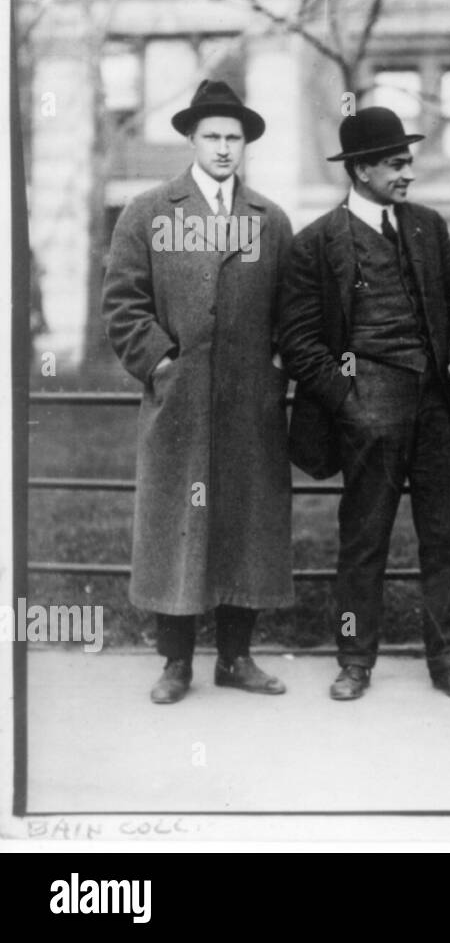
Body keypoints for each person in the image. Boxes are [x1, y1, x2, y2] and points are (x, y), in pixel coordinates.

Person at [279, 107, 450, 702]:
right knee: (364, 541)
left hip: (438, 406)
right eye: (395, 163)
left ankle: (448, 663)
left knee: (448, 538)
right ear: (361, 169)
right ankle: (354, 661)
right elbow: (298, 340)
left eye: (408, 160)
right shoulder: (316, 242)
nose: (408, 172)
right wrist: (348, 399)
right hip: (369, 406)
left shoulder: (427, 226)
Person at [102, 79, 294, 704]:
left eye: (233, 137)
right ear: (190, 139)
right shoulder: (150, 212)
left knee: (246, 521)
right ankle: (176, 662)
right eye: (211, 136)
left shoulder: (270, 219)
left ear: (245, 145)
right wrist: (159, 363)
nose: (223, 148)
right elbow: (123, 303)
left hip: (249, 405)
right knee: (176, 523)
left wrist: (276, 366)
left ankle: (237, 658)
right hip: (178, 402)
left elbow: (291, 310)